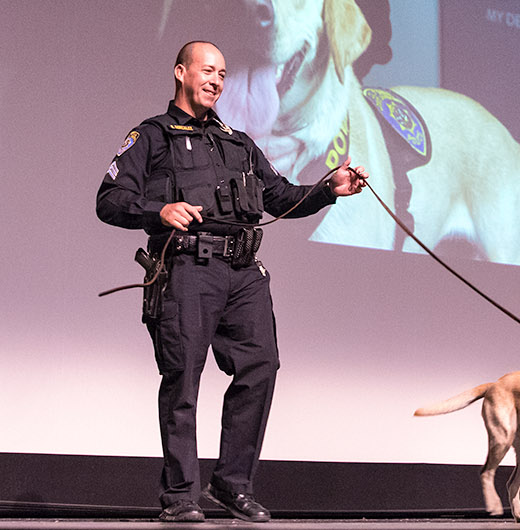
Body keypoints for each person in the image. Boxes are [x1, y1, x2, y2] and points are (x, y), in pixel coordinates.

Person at [95, 40, 367, 523]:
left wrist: (328, 189)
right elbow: (109, 199)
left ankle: (231, 484)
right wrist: (158, 210)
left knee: (261, 366)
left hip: (243, 274)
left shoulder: (239, 142)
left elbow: (281, 197)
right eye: (207, 70)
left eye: (222, 73)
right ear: (181, 72)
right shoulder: (152, 136)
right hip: (187, 269)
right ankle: (180, 496)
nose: (217, 80)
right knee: (183, 377)